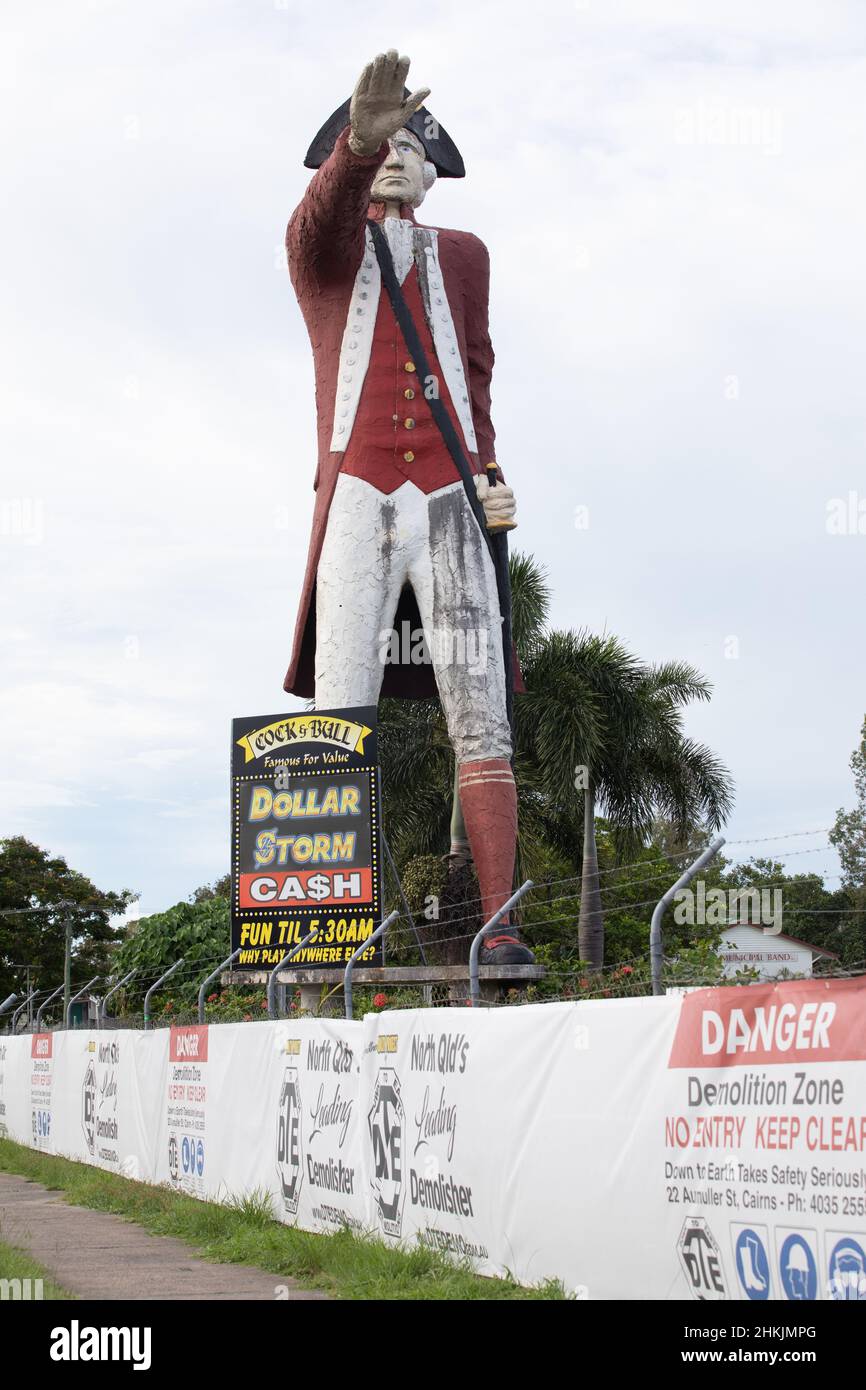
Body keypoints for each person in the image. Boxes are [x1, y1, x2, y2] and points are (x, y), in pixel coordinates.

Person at [283, 50, 532, 963]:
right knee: (340, 712)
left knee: (480, 712)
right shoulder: (328, 256)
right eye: (384, 144)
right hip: (356, 493)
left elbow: (474, 375)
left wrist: (492, 474)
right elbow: (311, 234)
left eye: (411, 144)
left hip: (450, 496)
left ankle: (500, 928)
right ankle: (323, 934)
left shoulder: (463, 256)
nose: (397, 156)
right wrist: (357, 140)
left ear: (433, 170)